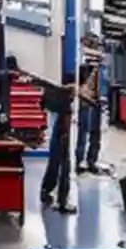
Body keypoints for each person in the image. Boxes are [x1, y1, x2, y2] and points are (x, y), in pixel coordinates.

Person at [40, 71, 77, 213]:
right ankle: (62, 202)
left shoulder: (54, 92)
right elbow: (67, 118)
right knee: (65, 165)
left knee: (54, 161)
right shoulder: (65, 97)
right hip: (62, 130)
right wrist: (66, 137)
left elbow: (44, 103)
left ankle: (46, 190)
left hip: (58, 128)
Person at [75, 34, 104, 173]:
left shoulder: (96, 61)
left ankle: (89, 160)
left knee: (92, 132)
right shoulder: (84, 60)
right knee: (85, 131)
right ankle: (82, 160)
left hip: (94, 99)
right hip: (87, 99)